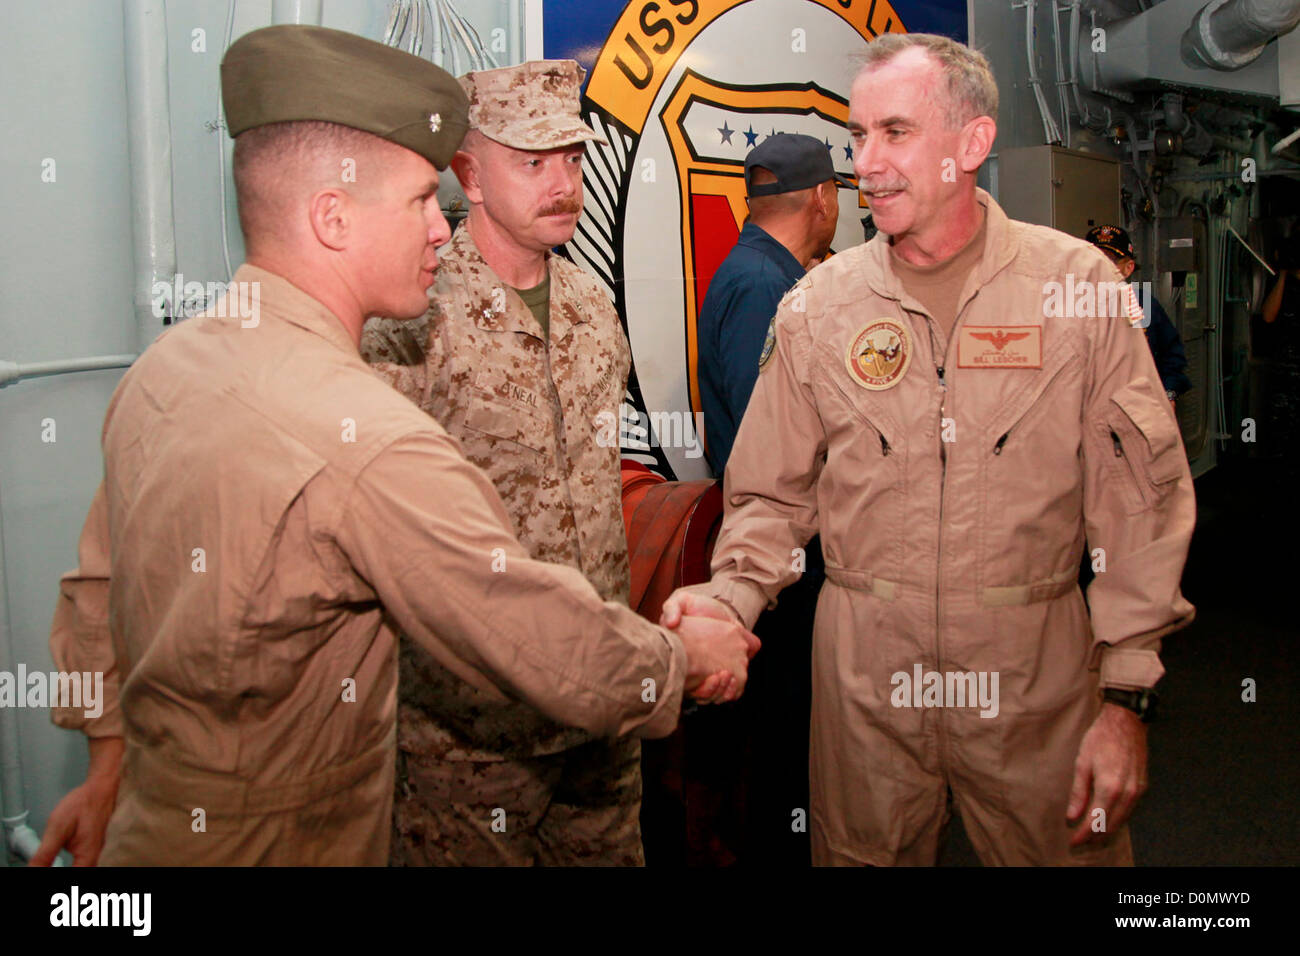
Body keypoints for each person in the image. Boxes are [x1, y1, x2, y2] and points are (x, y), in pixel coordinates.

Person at [32, 27, 756, 867]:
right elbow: (505, 617)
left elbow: (97, 584)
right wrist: (682, 659)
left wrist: (108, 765)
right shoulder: (366, 429)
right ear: (332, 217)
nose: (439, 228)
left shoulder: (165, 371)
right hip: (353, 804)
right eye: (419, 200)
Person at [662, 33, 1196, 866]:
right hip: (867, 685)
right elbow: (768, 495)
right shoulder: (818, 308)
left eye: (895, 133)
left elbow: (1137, 502)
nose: (865, 164)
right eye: (858, 136)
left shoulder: (1077, 288)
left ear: (972, 143)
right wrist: (730, 602)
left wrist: (1126, 697)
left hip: (1034, 679)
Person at [361, 60, 674, 866]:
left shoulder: (591, 306)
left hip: (599, 701)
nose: (563, 183)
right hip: (472, 725)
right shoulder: (412, 317)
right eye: (532, 163)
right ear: (469, 171)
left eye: (571, 159)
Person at [694, 132, 847, 864]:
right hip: (783, 556)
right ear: (822, 198)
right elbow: (779, 445)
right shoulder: (767, 286)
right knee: (789, 743)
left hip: (779, 548)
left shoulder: (763, 269)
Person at [1085, 224, 1192, 404]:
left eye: (1110, 260)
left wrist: (1169, 394)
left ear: (1128, 268)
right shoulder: (1064, 306)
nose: (1099, 267)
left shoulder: (1143, 305)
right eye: (1093, 259)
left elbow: (1171, 356)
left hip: (1134, 407)